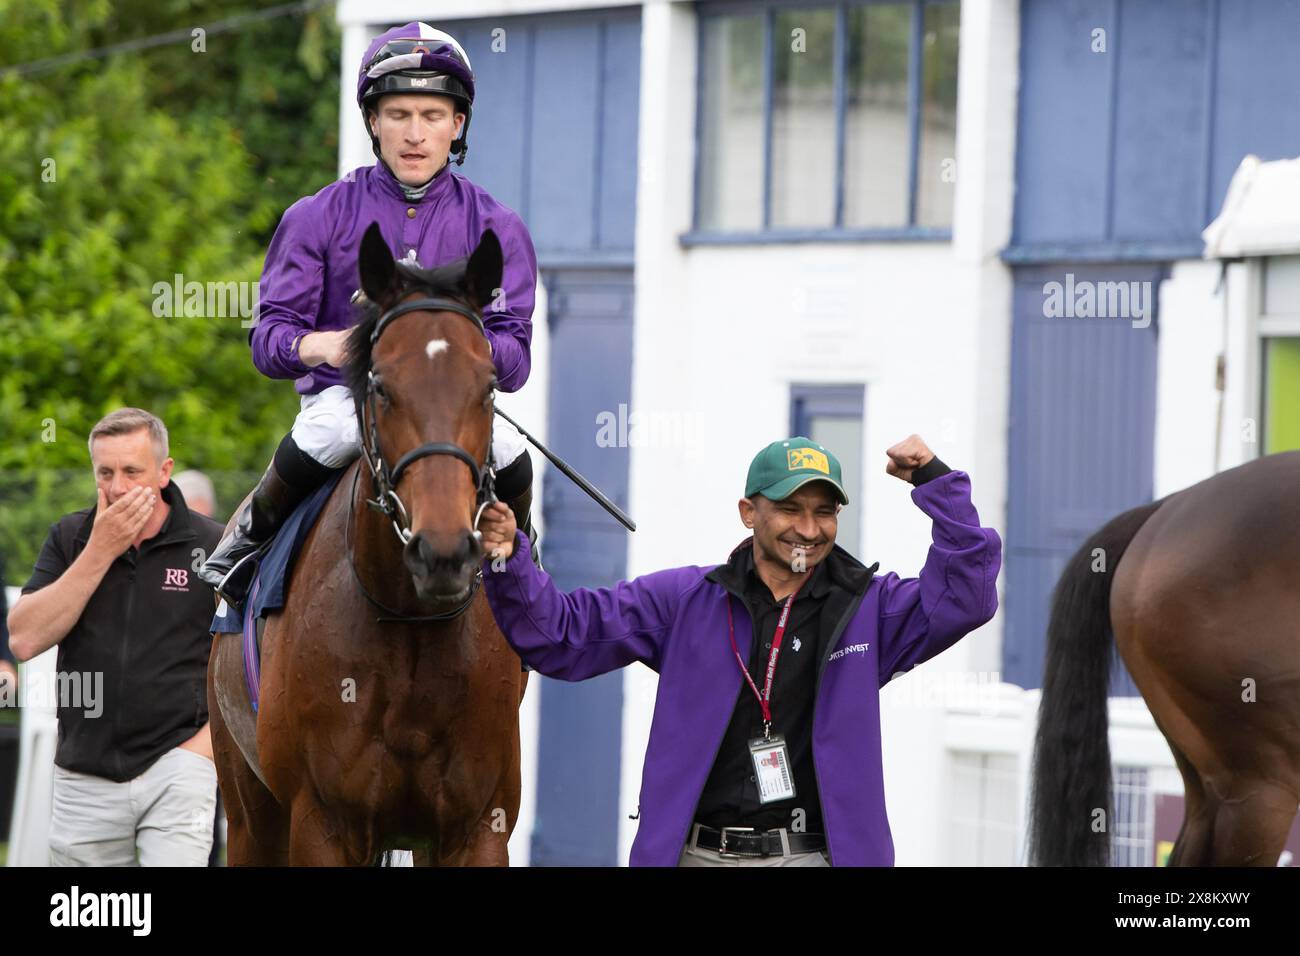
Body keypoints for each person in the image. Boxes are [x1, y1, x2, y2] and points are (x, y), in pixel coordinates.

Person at [477, 434, 1002, 866]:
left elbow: (966, 597)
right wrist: (508, 561)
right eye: (790, 508)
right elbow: (560, 637)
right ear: (749, 512)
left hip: (813, 858)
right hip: (696, 856)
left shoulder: (870, 609)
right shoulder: (683, 599)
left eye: (825, 511)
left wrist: (936, 483)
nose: (809, 529)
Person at [198, 22, 542, 610]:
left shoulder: (498, 227)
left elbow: (514, 361)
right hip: (349, 399)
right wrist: (323, 347)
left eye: (432, 116)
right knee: (327, 430)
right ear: (373, 122)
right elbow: (268, 340)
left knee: (509, 450)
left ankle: (523, 558)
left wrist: (461, 343)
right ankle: (245, 546)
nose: (414, 134)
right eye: (398, 114)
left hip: (453, 408)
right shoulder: (315, 216)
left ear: (457, 125)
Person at [6, 408, 224, 866]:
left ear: (164, 472)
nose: (118, 487)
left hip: (177, 767)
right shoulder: (70, 536)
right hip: (83, 773)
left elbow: (246, 656)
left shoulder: (213, 545)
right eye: (105, 472)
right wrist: (100, 549)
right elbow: (24, 639)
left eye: (132, 471)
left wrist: (202, 751)